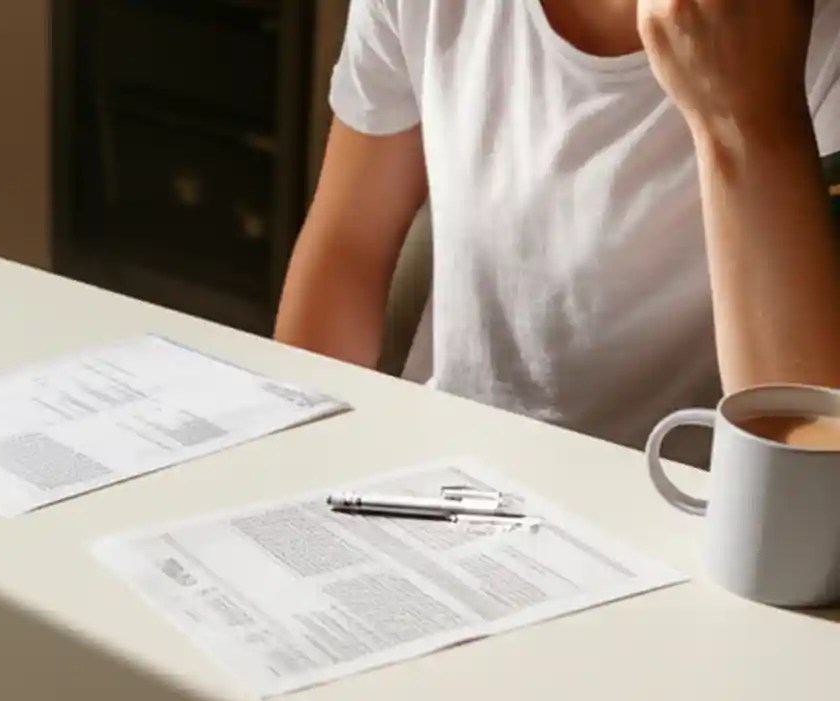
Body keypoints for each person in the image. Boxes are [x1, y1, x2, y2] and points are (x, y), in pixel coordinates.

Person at [275, 0, 840, 464]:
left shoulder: (825, 43)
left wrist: (748, 118)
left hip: (682, 520)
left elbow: (811, 468)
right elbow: (349, 246)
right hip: (441, 482)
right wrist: (288, 464)